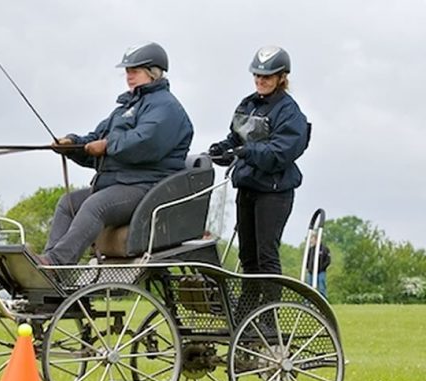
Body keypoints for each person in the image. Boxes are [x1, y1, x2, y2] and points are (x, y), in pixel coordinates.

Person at [44, 42, 193, 265]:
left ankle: (56, 264)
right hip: (117, 183)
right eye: (127, 71)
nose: (128, 76)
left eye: (134, 71)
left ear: (153, 73)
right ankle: (46, 264)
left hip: (147, 187)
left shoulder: (167, 108)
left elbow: (143, 144)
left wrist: (107, 145)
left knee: (96, 205)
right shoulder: (125, 108)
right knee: (68, 203)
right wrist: (73, 145)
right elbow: (95, 140)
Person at [208, 46, 310, 278]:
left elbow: (280, 152)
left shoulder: (290, 113)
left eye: (266, 76)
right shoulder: (248, 104)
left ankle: (268, 314)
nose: (260, 80)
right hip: (247, 187)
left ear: (281, 77)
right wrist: (221, 150)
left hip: (274, 193)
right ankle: (250, 310)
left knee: (267, 257)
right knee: (248, 257)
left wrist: (246, 152)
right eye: (257, 75)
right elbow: (235, 138)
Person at [305, 233, 330, 298]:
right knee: (309, 287)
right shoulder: (311, 249)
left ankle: (323, 299)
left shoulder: (324, 249)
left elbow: (328, 260)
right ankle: (308, 300)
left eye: (312, 239)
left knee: (321, 287)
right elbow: (307, 259)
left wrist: (321, 268)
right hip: (311, 272)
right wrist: (308, 267)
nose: (311, 241)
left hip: (321, 272)